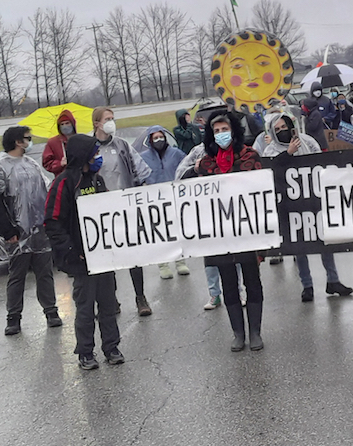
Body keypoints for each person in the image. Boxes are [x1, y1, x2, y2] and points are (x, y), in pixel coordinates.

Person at [256, 110, 353, 301]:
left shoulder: (308, 142)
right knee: (299, 246)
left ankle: (333, 280)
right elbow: (270, 171)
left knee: (325, 241)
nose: (282, 131)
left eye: (284, 127)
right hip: (289, 205)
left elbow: (321, 164)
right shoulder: (270, 150)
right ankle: (307, 285)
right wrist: (288, 154)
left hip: (314, 200)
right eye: (278, 129)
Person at [187, 110, 265, 351]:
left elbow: (262, 190)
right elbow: (185, 188)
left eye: (225, 129)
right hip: (219, 235)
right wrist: (195, 170)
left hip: (247, 231)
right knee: (228, 282)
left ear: (234, 130)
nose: (221, 134)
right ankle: (238, 334)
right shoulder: (206, 162)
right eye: (217, 131)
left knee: (252, 281)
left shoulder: (250, 156)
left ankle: (255, 332)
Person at [44, 134, 123, 370]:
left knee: (108, 305)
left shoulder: (97, 181)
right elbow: (52, 221)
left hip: (103, 256)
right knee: (85, 307)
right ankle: (85, 352)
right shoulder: (64, 184)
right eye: (94, 154)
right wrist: (71, 250)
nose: (98, 158)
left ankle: (112, 347)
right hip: (81, 260)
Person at [0, 126, 61, 335]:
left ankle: (51, 311)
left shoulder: (31, 164)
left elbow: (44, 191)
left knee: (45, 272)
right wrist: (8, 230)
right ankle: (13, 318)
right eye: (27, 138)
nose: (30, 141)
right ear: (18, 141)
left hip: (39, 229)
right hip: (17, 234)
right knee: (17, 275)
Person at [92, 107, 154, 316]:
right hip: (100, 210)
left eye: (112, 118)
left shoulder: (123, 146)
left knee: (133, 253)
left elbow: (140, 170)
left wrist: (144, 190)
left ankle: (140, 297)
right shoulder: (89, 148)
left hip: (125, 206)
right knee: (107, 256)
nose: (111, 122)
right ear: (96, 123)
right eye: (107, 119)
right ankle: (111, 300)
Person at [138, 125, 190, 279]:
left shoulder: (176, 153)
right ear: (150, 140)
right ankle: (163, 264)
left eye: (161, 137)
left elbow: (187, 168)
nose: (159, 140)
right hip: (155, 200)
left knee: (177, 231)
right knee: (160, 233)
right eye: (155, 138)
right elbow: (138, 176)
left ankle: (180, 262)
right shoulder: (143, 157)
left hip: (175, 198)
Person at [42, 109, 78, 176]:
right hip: (62, 179)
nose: (65, 126)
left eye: (67, 123)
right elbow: (46, 163)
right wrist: (60, 164)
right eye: (62, 124)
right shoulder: (52, 142)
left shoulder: (80, 140)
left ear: (72, 124)